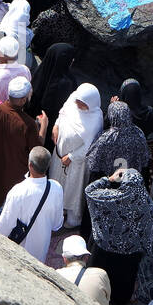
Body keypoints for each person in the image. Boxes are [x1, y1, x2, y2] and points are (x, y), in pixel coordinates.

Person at [0, 76, 46, 214]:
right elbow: (37, 151)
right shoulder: (28, 123)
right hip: (14, 173)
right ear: (24, 100)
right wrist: (44, 126)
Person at [85, 167, 153, 305]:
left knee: (97, 276)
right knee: (124, 280)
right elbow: (151, 232)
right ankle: (119, 301)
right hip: (130, 254)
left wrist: (109, 179)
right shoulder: (148, 204)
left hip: (104, 250)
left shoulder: (111, 198)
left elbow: (89, 191)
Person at [0, 146, 64, 263]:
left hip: (18, 250)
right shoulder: (56, 187)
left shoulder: (18, 191)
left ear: (30, 165)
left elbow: (4, 227)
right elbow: (57, 224)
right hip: (41, 249)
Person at [48, 84, 103, 228]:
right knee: (57, 183)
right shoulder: (74, 98)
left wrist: (72, 156)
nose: (77, 104)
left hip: (77, 163)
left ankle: (73, 218)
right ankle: (57, 212)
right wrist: (56, 126)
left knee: (73, 190)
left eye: (82, 103)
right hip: (59, 155)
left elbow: (90, 146)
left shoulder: (96, 118)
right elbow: (62, 113)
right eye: (77, 101)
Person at [86, 100, 151, 180]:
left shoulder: (105, 138)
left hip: (111, 183)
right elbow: (145, 160)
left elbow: (93, 164)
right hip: (131, 182)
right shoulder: (138, 133)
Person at [27, 43, 77, 133]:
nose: (73, 60)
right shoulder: (67, 83)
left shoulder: (40, 70)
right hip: (51, 129)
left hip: (30, 122)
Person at [54, 235, 112, 305]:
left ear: (64, 259)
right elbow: (107, 299)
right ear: (86, 257)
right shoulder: (100, 274)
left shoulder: (57, 275)